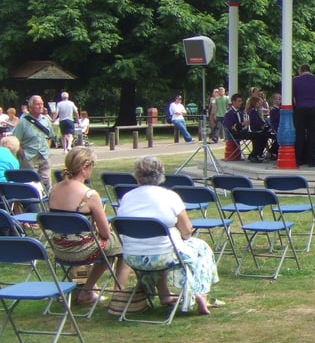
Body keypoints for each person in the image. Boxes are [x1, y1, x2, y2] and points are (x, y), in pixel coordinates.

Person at [117, 156, 219, 315]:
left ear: (137, 176)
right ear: (161, 175)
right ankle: (200, 293)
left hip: (132, 257)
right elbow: (187, 230)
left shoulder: (126, 197)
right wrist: (181, 235)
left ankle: (164, 295)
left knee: (161, 245)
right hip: (163, 256)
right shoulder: (170, 196)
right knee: (201, 247)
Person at [48, 146, 131, 305]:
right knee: (123, 245)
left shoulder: (54, 190)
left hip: (60, 249)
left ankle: (88, 290)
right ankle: (118, 293)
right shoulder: (89, 195)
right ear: (86, 167)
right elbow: (106, 234)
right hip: (80, 249)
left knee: (108, 249)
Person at [11, 94, 54, 193]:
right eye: (37, 104)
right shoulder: (23, 122)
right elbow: (15, 140)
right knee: (31, 182)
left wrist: (47, 147)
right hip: (29, 156)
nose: (40, 106)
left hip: (44, 155)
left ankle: (48, 202)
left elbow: (50, 136)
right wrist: (23, 154)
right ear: (30, 107)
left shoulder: (46, 120)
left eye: (42, 104)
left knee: (47, 181)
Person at [292, 64, 315, 167]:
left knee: (299, 134)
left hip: (300, 109)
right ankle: (312, 160)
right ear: (310, 70)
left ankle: (298, 159)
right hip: (314, 108)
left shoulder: (295, 80)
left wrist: (295, 107)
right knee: (313, 135)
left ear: (301, 71)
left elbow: (291, 96)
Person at [223, 93, 269, 162]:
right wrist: (243, 124)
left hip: (243, 131)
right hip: (235, 134)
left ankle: (257, 154)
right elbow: (231, 128)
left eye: (241, 101)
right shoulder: (229, 113)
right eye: (238, 101)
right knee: (257, 135)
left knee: (262, 135)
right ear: (233, 102)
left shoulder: (241, 112)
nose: (240, 103)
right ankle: (254, 155)